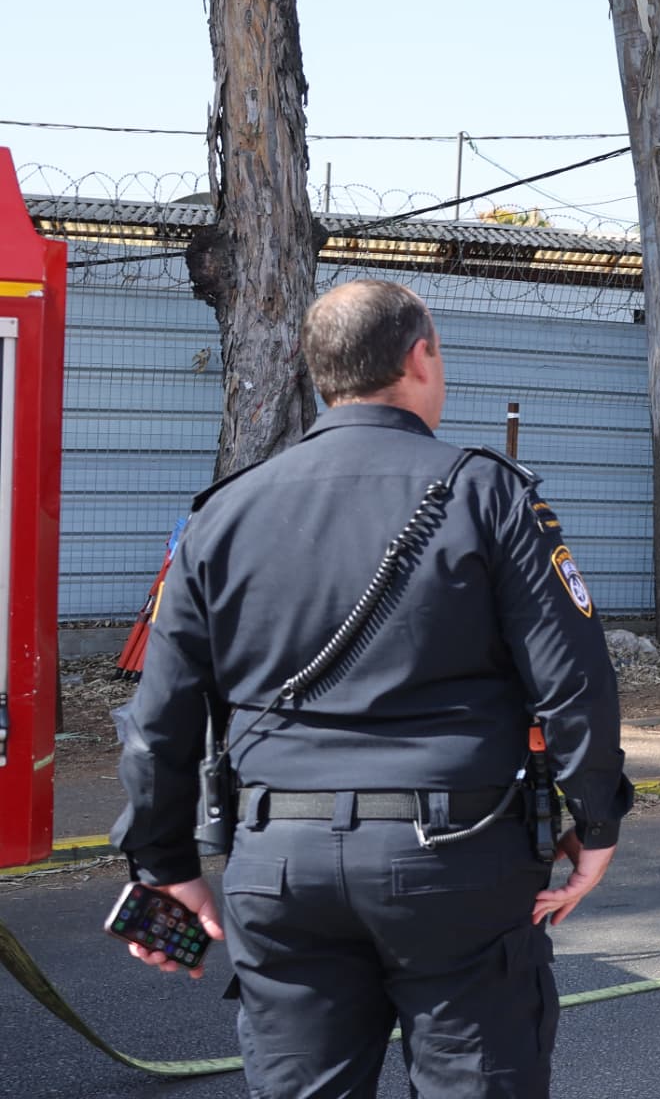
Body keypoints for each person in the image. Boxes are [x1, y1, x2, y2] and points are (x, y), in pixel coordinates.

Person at [110, 279, 632, 1099]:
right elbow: (574, 681)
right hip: (457, 856)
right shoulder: (489, 494)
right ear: (420, 356)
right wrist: (597, 821)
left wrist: (162, 860)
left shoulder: (223, 513)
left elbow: (159, 719)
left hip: (278, 862)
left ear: (320, 372)